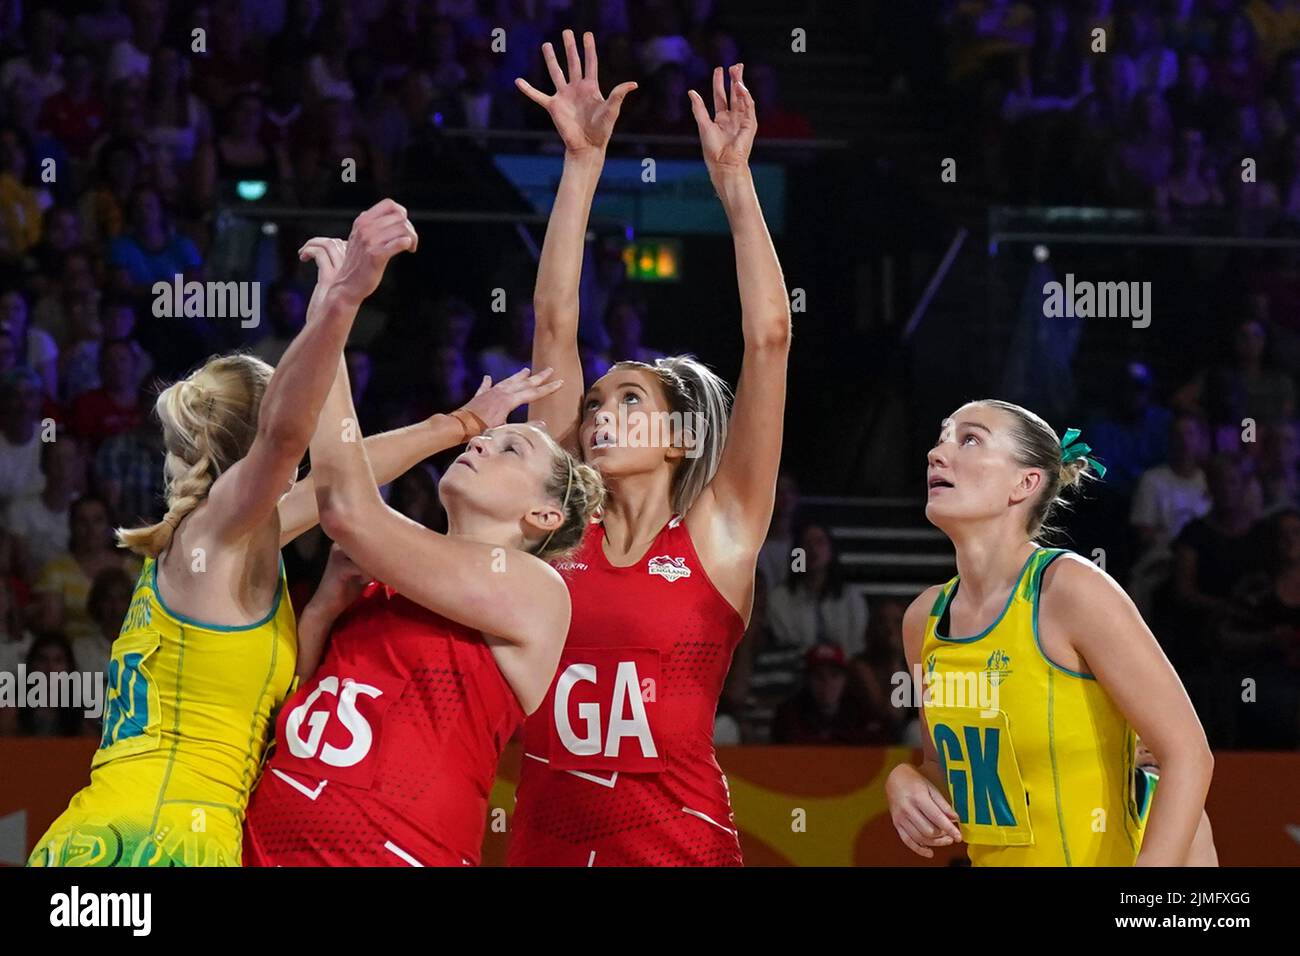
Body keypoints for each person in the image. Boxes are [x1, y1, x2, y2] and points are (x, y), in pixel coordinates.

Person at [28, 199, 419, 867]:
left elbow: (340, 478)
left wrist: (462, 424)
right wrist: (340, 304)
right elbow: (290, 434)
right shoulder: (219, 525)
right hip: (164, 843)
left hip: (99, 839)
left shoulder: (215, 541)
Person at [508, 33, 791, 866]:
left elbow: (769, 340)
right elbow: (555, 326)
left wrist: (735, 185)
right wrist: (581, 164)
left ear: (681, 437)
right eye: (593, 402)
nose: (596, 414)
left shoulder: (722, 531)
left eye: (627, 401)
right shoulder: (555, 525)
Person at [244, 236, 601, 866]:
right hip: (269, 845)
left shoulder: (537, 591)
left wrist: (336, 313)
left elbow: (347, 506)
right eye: (490, 438)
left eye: (509, 448)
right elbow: (293, 699)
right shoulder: (388, 571)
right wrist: (325, 608)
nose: (485, 444)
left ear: (544, 515)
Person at [886, 404, 1213, 865]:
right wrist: (905, 779)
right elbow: (947, 769)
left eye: (970, 439)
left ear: (1026, 483)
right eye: (942, 438)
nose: (937, 453)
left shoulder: (1069, 590)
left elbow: (1188, 755)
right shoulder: (924, 618)